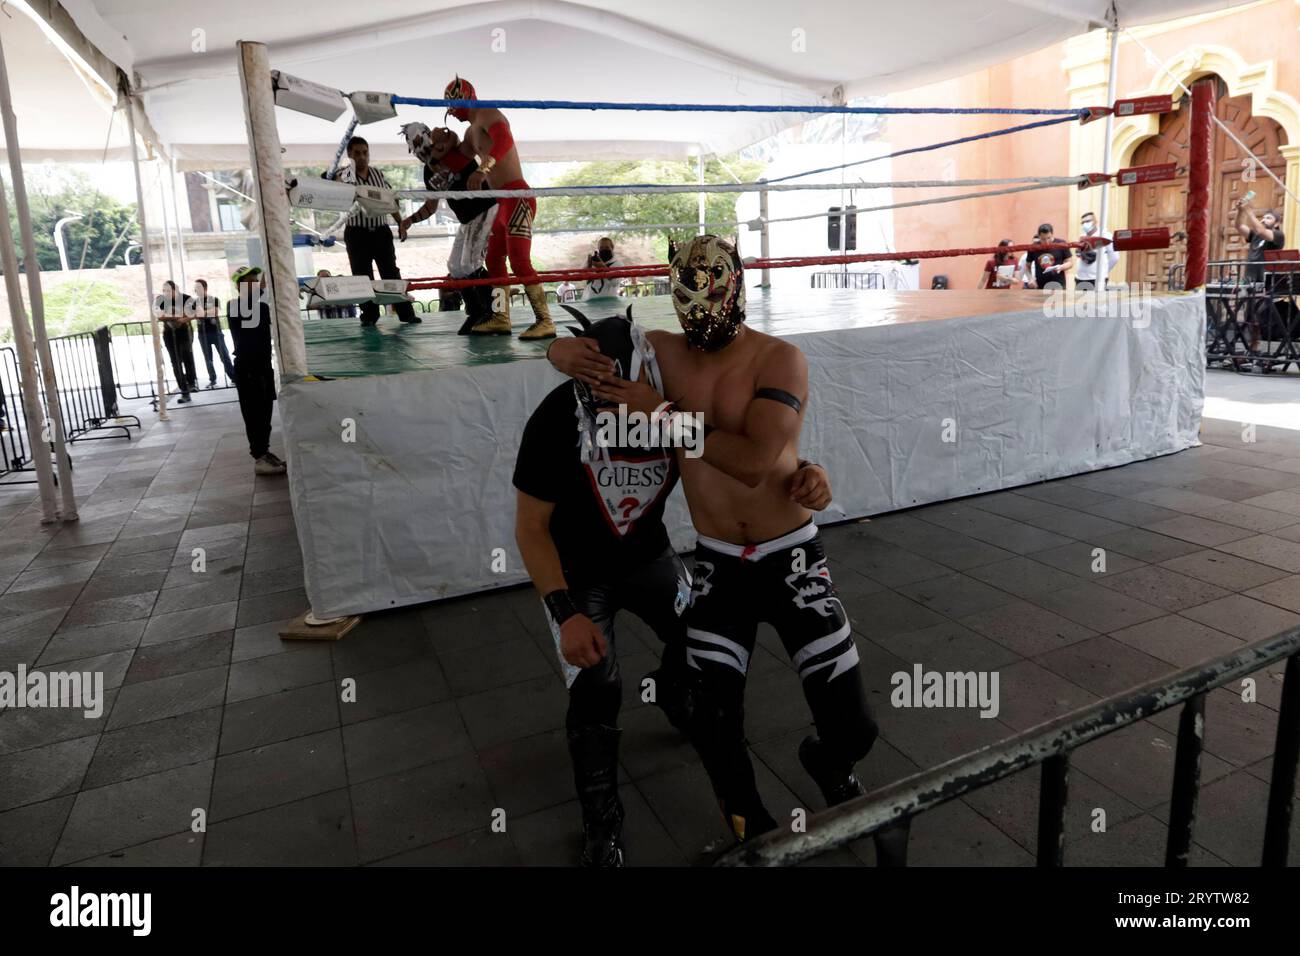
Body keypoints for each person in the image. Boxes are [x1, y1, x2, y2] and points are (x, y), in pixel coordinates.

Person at [547, 236, 878, 846]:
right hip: (719, 563)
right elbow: (575, 347)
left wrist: (660, 412)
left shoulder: (781, 359)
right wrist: (562, 352)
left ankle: (831, 760)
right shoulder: (663, 352)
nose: (699, 313)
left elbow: (754, 461)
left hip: (792, 555)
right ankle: (750, 821)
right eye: (685, 299)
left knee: (853, 723)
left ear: (737, 286)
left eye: (710, 296)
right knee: (714, 714)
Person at [443, 75, 555, 340]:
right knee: (493, 260)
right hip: (500, 203)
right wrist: (434, 147)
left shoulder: (488, 113)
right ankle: (500, 317)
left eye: (452, 106)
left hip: (517, 196)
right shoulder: (471, 133)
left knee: (519, 260)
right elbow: (458, 161)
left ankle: (545, 321)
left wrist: (484, 168)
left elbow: (504, 140)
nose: (452, 114)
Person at [399, 123, 498, 335]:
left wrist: (444, 141)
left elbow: (456, 139)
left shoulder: (448, 147)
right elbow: (431, 206)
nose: (419, 149)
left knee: (470, 262)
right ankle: (476, 310)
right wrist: (410, 220)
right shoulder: (428, 171)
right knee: (455, 266)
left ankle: (493, 312)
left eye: (419, 141)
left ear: (428, 136)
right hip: (467, 218)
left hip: (484, 206)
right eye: (413, 145)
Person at [334, 136, 420, 327]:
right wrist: (338, 177)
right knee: (362, 276)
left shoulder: (378, 175)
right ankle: (369, 316)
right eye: (357, 153)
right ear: (349, 154)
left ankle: (406, 314)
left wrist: (400, 223)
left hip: (381, 231)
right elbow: (336, 185)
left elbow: (391, 201)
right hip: (357, 233)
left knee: (391, 272)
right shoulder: (344, 175)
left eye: (365, 152)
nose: (362, 157)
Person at [227, 266, 286, 476]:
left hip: (262, 366)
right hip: (247, 368)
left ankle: (265, 451)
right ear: (239, 286)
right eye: (249, 282)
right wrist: (261, 289)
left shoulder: (260, 307)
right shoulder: (234, 306)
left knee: (265, 413)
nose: (255, 284)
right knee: (253, 414)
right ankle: (259, 456)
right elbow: (249, 306)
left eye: (255, 280)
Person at [1231, 201, 1285, 370]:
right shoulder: (1254, 236)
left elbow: (1262, 231)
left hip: (1265, 280)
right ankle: (1253, 349)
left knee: (1261, 315)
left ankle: (1265, 349)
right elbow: (1239, 226)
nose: (1263, 220)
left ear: (1276, 223)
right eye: (1263, 217)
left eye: (1268, 218)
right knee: (1249, 316)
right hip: (1249, 279)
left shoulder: (1278, 235)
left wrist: (1250, 213)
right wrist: (1241, 211)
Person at [152, 280, 198, 403]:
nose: (165, 293)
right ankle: (184, 390)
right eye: (163, 290)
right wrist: (179, 315)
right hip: (168, 334)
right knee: (175, 362)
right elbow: (159, 316)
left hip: (185, 332)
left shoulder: (186, 298)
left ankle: (192, 382)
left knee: (187, 357)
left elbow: (195, 313)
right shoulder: (160, 300)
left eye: (168, 290)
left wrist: (181, 317)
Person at [192, 279, 236, 387]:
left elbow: (214, 312)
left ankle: (234, 378)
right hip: (202, 334)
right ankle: (212, 380)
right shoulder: (194, 302)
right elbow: (194, 315)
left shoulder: (214, 299)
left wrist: (202, 313)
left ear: (205, 288)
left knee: (224, 356)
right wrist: (204, 313)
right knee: (208, 358)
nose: (196, 290)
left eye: (198, 287)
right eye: (195, 287)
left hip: (215, 332)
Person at [1075, 212, 1119, 291]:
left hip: (1097, 279)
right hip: (1080, 278)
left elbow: (1114, 257)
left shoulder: (1105, 236)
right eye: (1083, 222)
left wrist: (1103, 270)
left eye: (1088, 221)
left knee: (1095, 302)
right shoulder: (1082, 237)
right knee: (1080, 302)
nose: (1085, 224)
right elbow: (1078, 255)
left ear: (1095, 221)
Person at [1025, 223, 1072, 290]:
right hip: (1040, 286)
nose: (1047, 242)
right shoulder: (1034, 247)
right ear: (1039, 236)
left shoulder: (1061, 244)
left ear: (1052, 234)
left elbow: (1070, 263)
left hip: (1058, 284)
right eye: (1043, 239)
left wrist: (1061, 267)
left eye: (1049, 238)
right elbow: (1027, 266)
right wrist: (1030, 278)